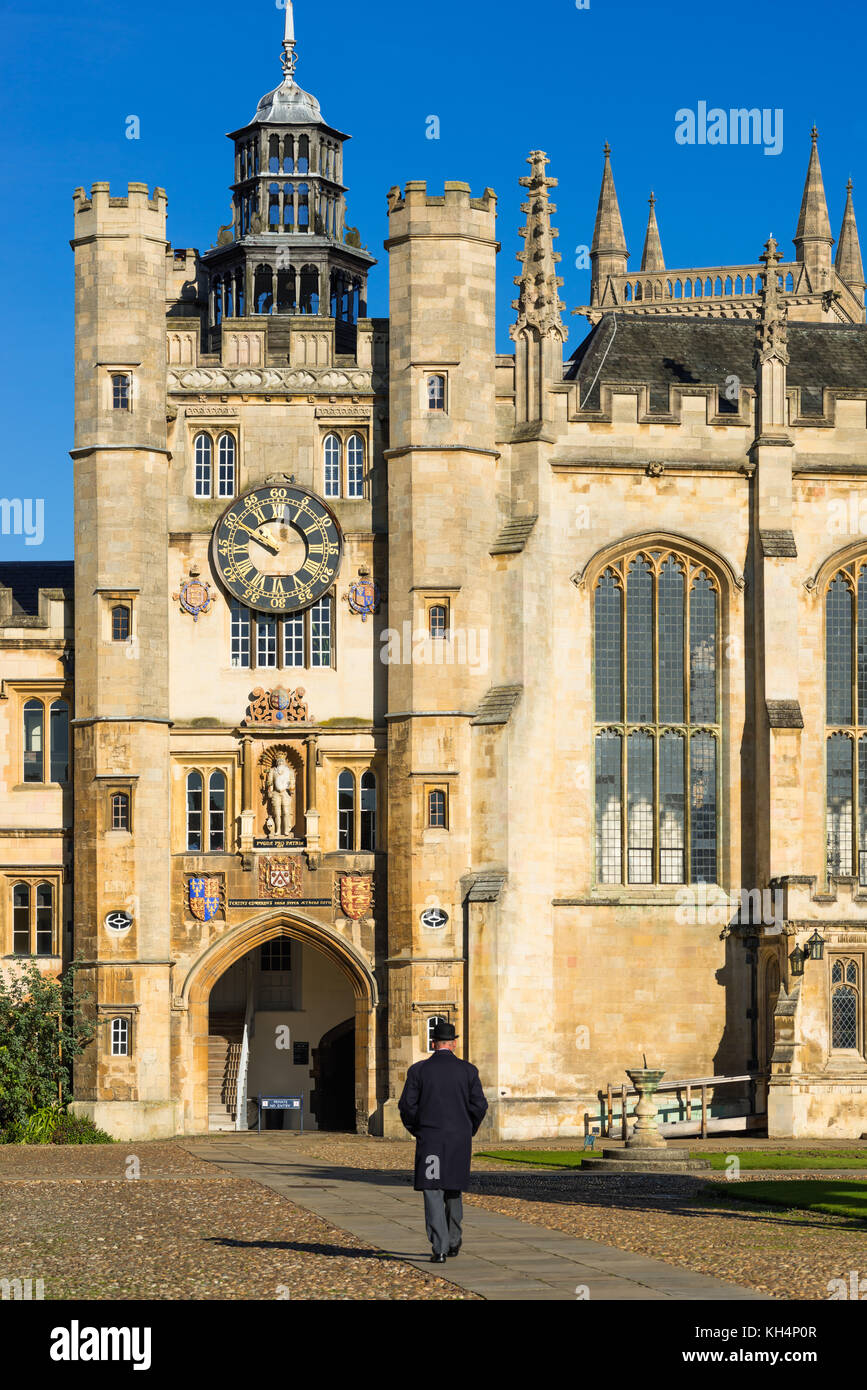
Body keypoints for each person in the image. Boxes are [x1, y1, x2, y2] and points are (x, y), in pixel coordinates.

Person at [398, 1020, 488, 1263]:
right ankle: (454, 1239)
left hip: (431, 1139)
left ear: (433, 1043)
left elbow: (407, 1106)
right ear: (454, 1043)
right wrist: (468, 1128)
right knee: (452, 1188)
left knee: (432, 1189)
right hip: (459, 1140)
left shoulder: (419, 1071)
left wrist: (417, 1128)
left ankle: (439, 1248)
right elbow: (479, 1105)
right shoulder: (468, 1071)